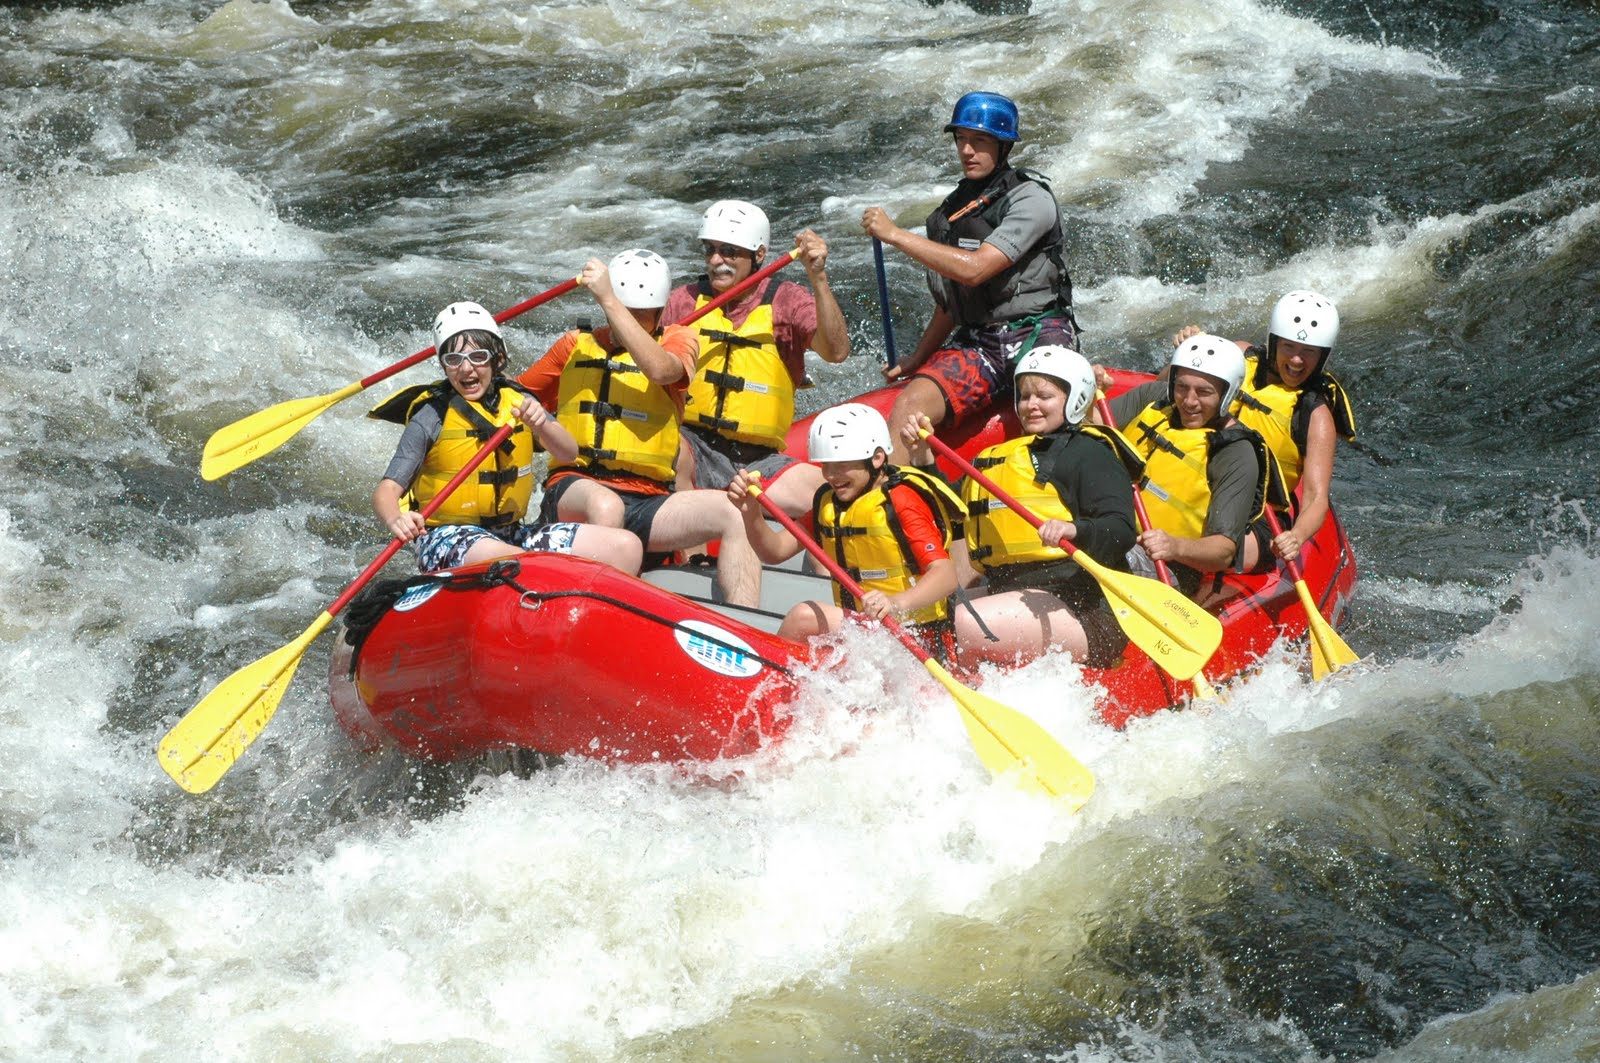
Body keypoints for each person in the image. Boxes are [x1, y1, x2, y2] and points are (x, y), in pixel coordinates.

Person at [518, 250, 761, 607]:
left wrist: (609, 299)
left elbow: (661, 371)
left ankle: (743, 624)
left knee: (736, 511)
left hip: (647, 498)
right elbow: (515, 395)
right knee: (606, 505)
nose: (631, 318)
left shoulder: (680, 340)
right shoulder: (573, 345)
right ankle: (591, 609)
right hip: (577, 487)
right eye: (624, 308)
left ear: (660, 311)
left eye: (642, 312)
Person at [861, 90, 1077, 463]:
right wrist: (918, 357)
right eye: (961, 139)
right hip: (980, 340)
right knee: (911, 406)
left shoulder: (1032, 200)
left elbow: (975, 269)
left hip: (1038, 330)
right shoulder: (952, 212)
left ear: (1004, 146)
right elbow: (953, 301)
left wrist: (895, 235)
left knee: (1047, 400)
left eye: (980, 141)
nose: (966, 150)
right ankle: (894, 494)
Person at [901, 346, 1140, 668]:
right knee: (927, 617)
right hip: (1012, 597)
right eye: (1025, 396)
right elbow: (950, 511)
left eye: (1044, 396)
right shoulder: (999, 459)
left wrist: (1075, 530)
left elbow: (1121, 530)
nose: (1031, 405)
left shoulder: (1090, 453)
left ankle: (967, 684)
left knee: (968, 621)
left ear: (1076, 398)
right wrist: (922, 457)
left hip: (1085, 607)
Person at [369, 301, 644, 576]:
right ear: (443, 366)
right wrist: (396, 519)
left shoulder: (519, 401)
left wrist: (542, 424)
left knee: (626, 546)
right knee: (521, 561)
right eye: (453, 360)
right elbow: (387, 490)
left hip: (511, 534)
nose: (466, 368)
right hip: (447, 539)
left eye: (478, 357)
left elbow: (568, 453)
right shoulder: (431, 415)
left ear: (496, 358)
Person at [663, 200, 851, 516]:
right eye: (710, 250)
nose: (716, 260)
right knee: (669, 448)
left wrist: (818, 277)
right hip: (693, 447)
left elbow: (836, 352)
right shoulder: (684, 300)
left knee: (832, 497)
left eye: (728, 251)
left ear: (759, 254)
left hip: (759, 461)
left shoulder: (787, 301)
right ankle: (695, 542)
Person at [726, 403, 963, 646]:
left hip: (919, 632)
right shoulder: (828, 504)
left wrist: (895, 602)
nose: (831, 475)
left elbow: (945, 575)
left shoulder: (902, 500)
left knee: (802, 617)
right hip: (864, 630)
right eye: (826, 465)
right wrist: (751, 512)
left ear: (876, 458)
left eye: (841, 465)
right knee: (803, 617)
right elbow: (775, 551)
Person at [1173, 290, 1355, 563]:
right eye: (1289, 347)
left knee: (1233, 551)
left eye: (1308, 352)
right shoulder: (1237, 356)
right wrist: (1186, 352)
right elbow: (1168, 388)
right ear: (1274, 342)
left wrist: (1297, 536)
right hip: (1196, 476)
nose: (1296, 360)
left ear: (1322, 357)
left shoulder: (1315, 416)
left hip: (1257, 512)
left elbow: (1316, 497)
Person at [1099, 334, 1283, 600]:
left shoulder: (1235, 452)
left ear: (1227, 394)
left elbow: (1223, 551)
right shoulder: (1154, 399)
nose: (1189, 401)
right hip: (1106, 528)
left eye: (1204, 392)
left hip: (1168, 565)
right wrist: (1086, 390)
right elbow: (1089, 426)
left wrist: (1174, 547)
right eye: (1182, 387)